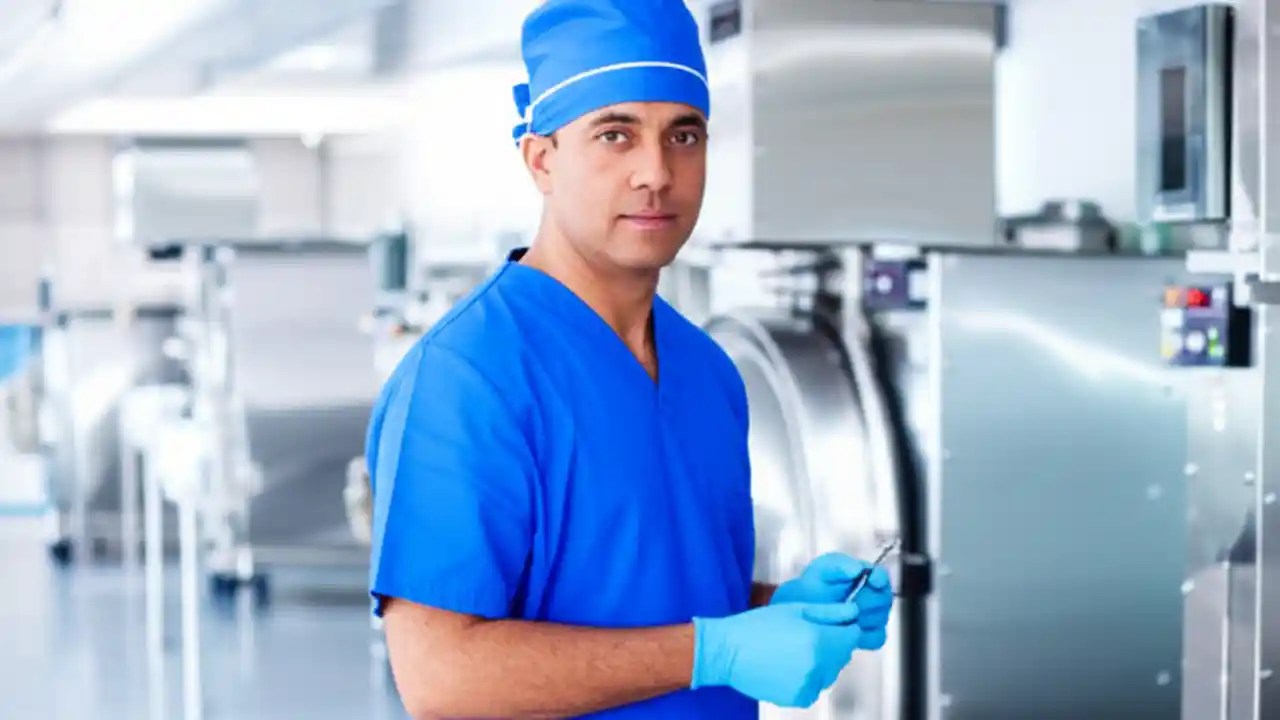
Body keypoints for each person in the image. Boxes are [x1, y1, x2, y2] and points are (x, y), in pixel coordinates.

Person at [364, 1, 895, 718]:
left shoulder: (709, 371)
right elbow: (441, 677)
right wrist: (718, 650)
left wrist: (781, 607)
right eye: (615, 134)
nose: (656, 172)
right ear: (542, 159)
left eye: (684, 134)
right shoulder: (467, 376)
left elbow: (660, 596)